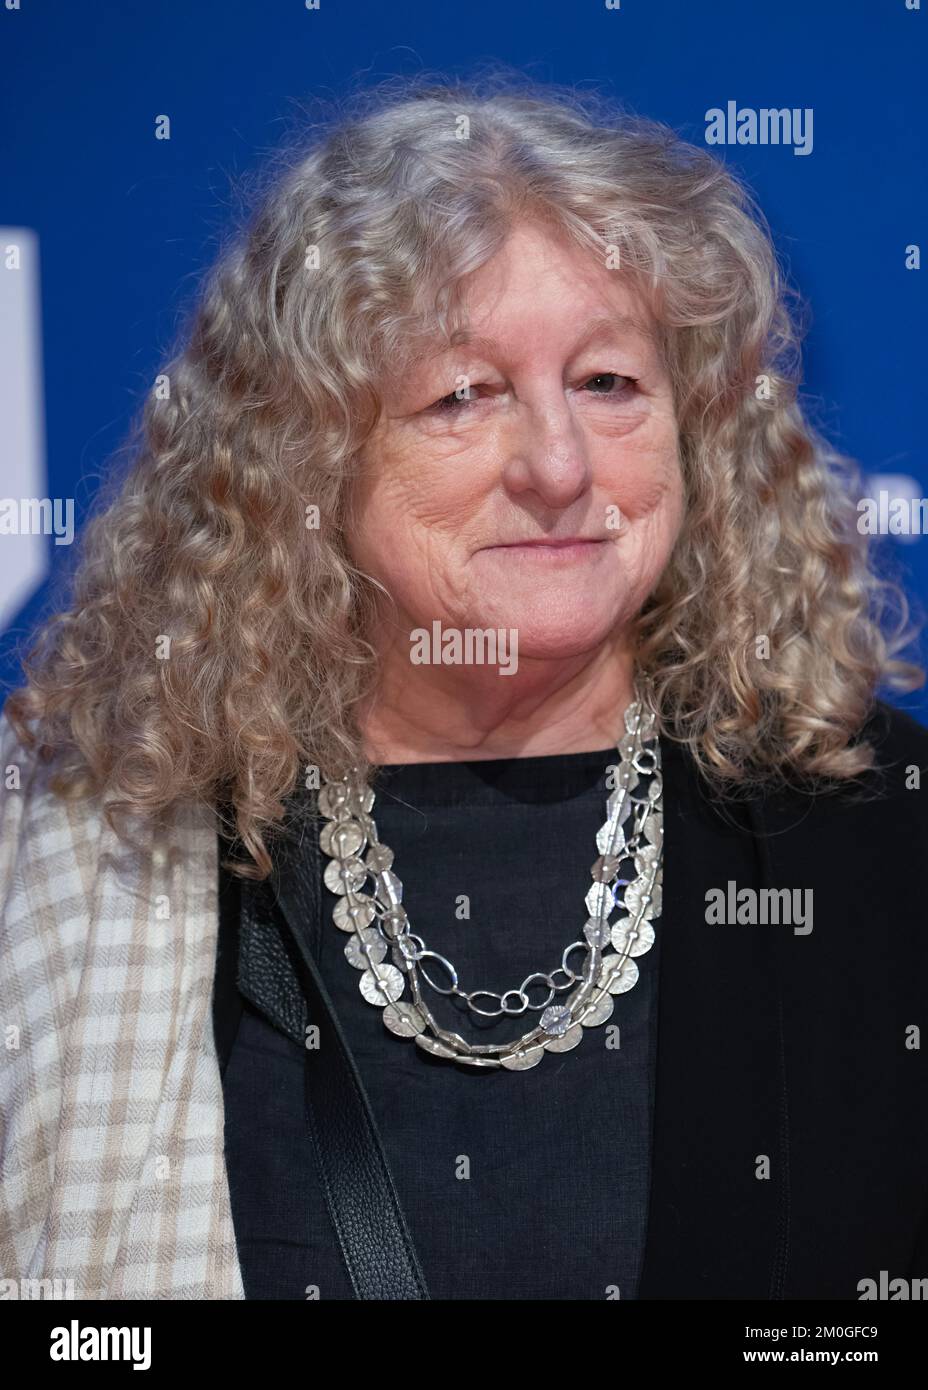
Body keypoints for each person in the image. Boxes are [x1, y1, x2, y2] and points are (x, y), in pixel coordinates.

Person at [2, 74, 927, 1301]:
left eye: (607, 383)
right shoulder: (85, 855)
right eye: (461, 394)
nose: (556, 463)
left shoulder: (882, 834)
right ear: (305, 452)